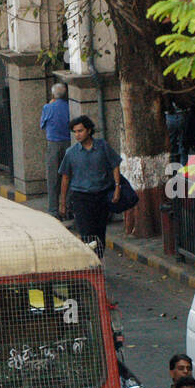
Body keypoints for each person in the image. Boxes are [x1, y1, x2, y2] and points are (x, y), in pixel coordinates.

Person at [58, 114, 121, 259]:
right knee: (86, 232)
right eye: (75, 132)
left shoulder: (102, 147)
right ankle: (90, 262)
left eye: (80, 131)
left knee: (99, 232)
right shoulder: (71, 153)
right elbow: (65, 177)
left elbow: (115, 165)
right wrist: (63, 202)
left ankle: (98, 259)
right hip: (81, 198)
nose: (77, 135)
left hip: (101, 196)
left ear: (88, 130)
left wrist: (117, 188)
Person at [40, 82, 74, 218]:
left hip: (53, 144)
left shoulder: (48, 107)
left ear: (53, 94)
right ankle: (69, 208)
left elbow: (42, 125)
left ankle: (53, 209)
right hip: (68, 143)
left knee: (53, 177)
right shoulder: (69, 107)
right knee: (69, 176)